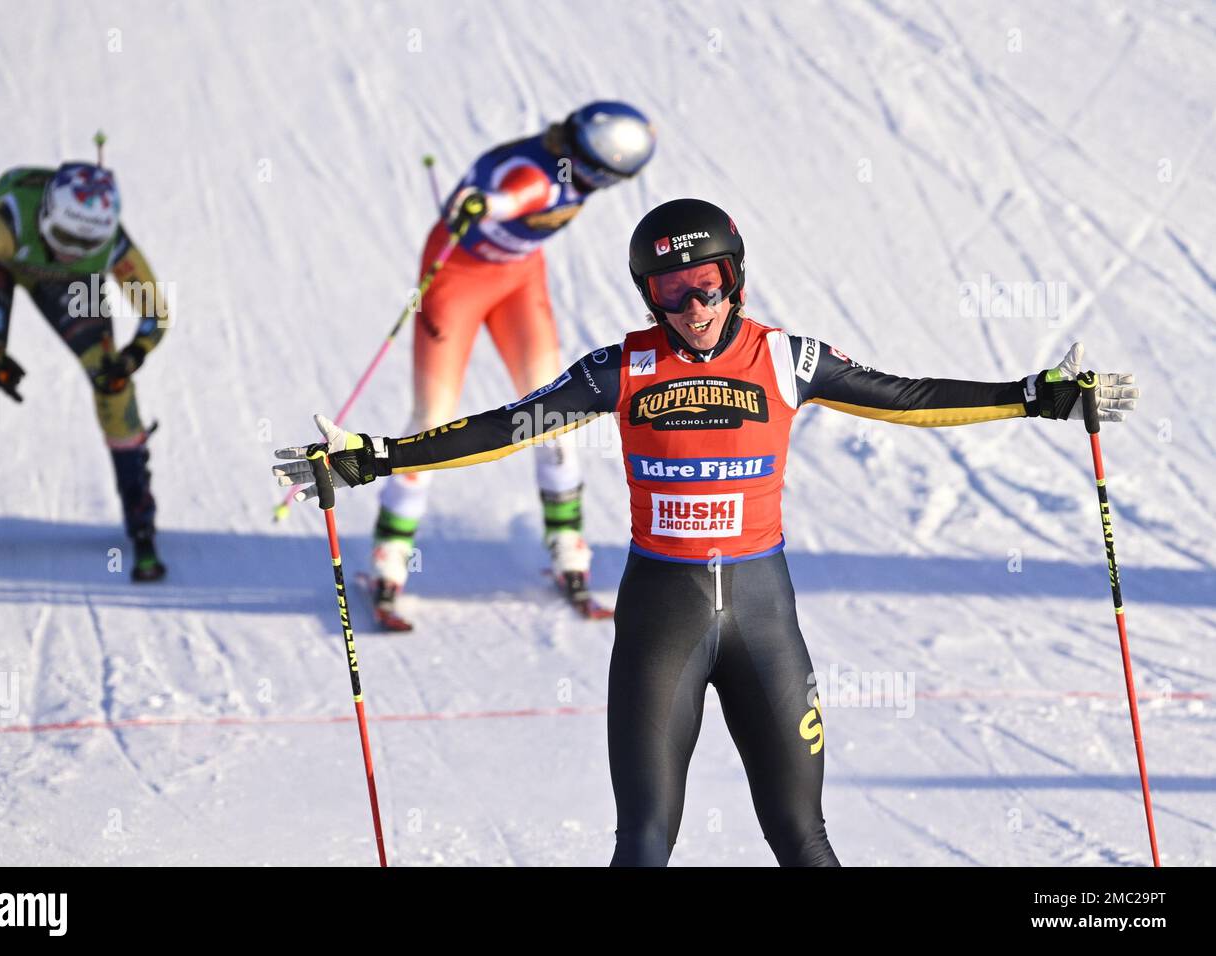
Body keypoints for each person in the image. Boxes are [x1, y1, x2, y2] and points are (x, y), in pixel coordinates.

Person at [272, 198, 1139, 866]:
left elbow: (906, 397)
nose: (693, 306)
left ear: (736, 279)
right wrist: (375, 457)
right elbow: (510, 424)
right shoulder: (622, 367)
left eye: (708, 286)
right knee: (644, 844)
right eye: (670, 292)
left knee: (804, 840)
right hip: (664, 616)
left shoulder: (788, 359)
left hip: (764, 617)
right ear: (648, 294)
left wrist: (1035, 395)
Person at [370, 101, 657, 621]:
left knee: (554, 414)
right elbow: (515, 191)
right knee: (432, 420)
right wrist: (485, 204)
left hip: (519, 277)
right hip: (457, 278)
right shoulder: (540, 176)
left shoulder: (564, 163)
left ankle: (568, 547)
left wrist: (486, 204)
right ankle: (391, 557)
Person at [0, 161, 170, 586]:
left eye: (88, 242)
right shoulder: (3, 225)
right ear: (48, 215)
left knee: (111, 378)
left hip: (66, 280)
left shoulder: (109, 246)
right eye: (68, 237)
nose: (74, 249)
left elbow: (155, 314)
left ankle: (139, 512)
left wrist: (131, 357)